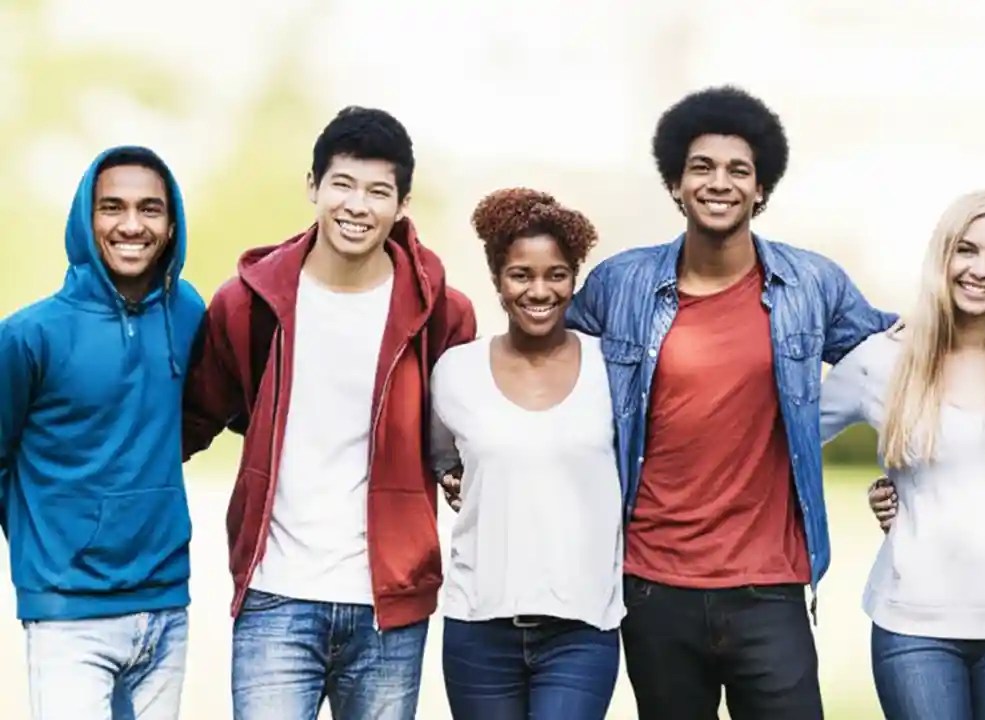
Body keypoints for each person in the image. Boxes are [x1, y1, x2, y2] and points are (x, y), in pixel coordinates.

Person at [555, 85, 895, 719]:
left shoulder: (811, 284)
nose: (720, 183)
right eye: (702, 168)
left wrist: (918, 477)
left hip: (770, 585)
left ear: (761, 188)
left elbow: (898, 360)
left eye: (739, 170)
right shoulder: (620, 284)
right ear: (676, 184)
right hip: (654, 582)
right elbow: (548, 372)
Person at [181, 106, 476, 720]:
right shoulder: (249, 304)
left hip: (388, 605)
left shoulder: (439, 313)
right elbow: (190, 421)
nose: (357, 205)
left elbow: (463, 437)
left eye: (378, 191)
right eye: (342, 184)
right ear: (313, 186)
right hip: (275, 595)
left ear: (401, 203)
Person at [819, 191, 985, 720]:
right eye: (966, 250)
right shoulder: (882, 359)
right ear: (942, 256)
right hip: (914, 628)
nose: (980, 269)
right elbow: (784, 438)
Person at [0, 146, 204, 719]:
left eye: (150, 209)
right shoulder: (29, 336)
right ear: (87, 220)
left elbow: (214, 410)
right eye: (112, 207)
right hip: (69, 614)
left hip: (166, 600)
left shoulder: (186, 312)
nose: (132, 225)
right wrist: (50, 545)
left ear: (171, 226)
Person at [429, 188, 623, 720]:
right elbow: (441, 454)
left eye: (556, 274)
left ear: (574, 277)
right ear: (497, 279)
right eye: (521, 274)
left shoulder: (612, 370)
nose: (540, 290)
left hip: (582, 629)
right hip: (478, 628)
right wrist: (452, 475)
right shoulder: (455, 373)